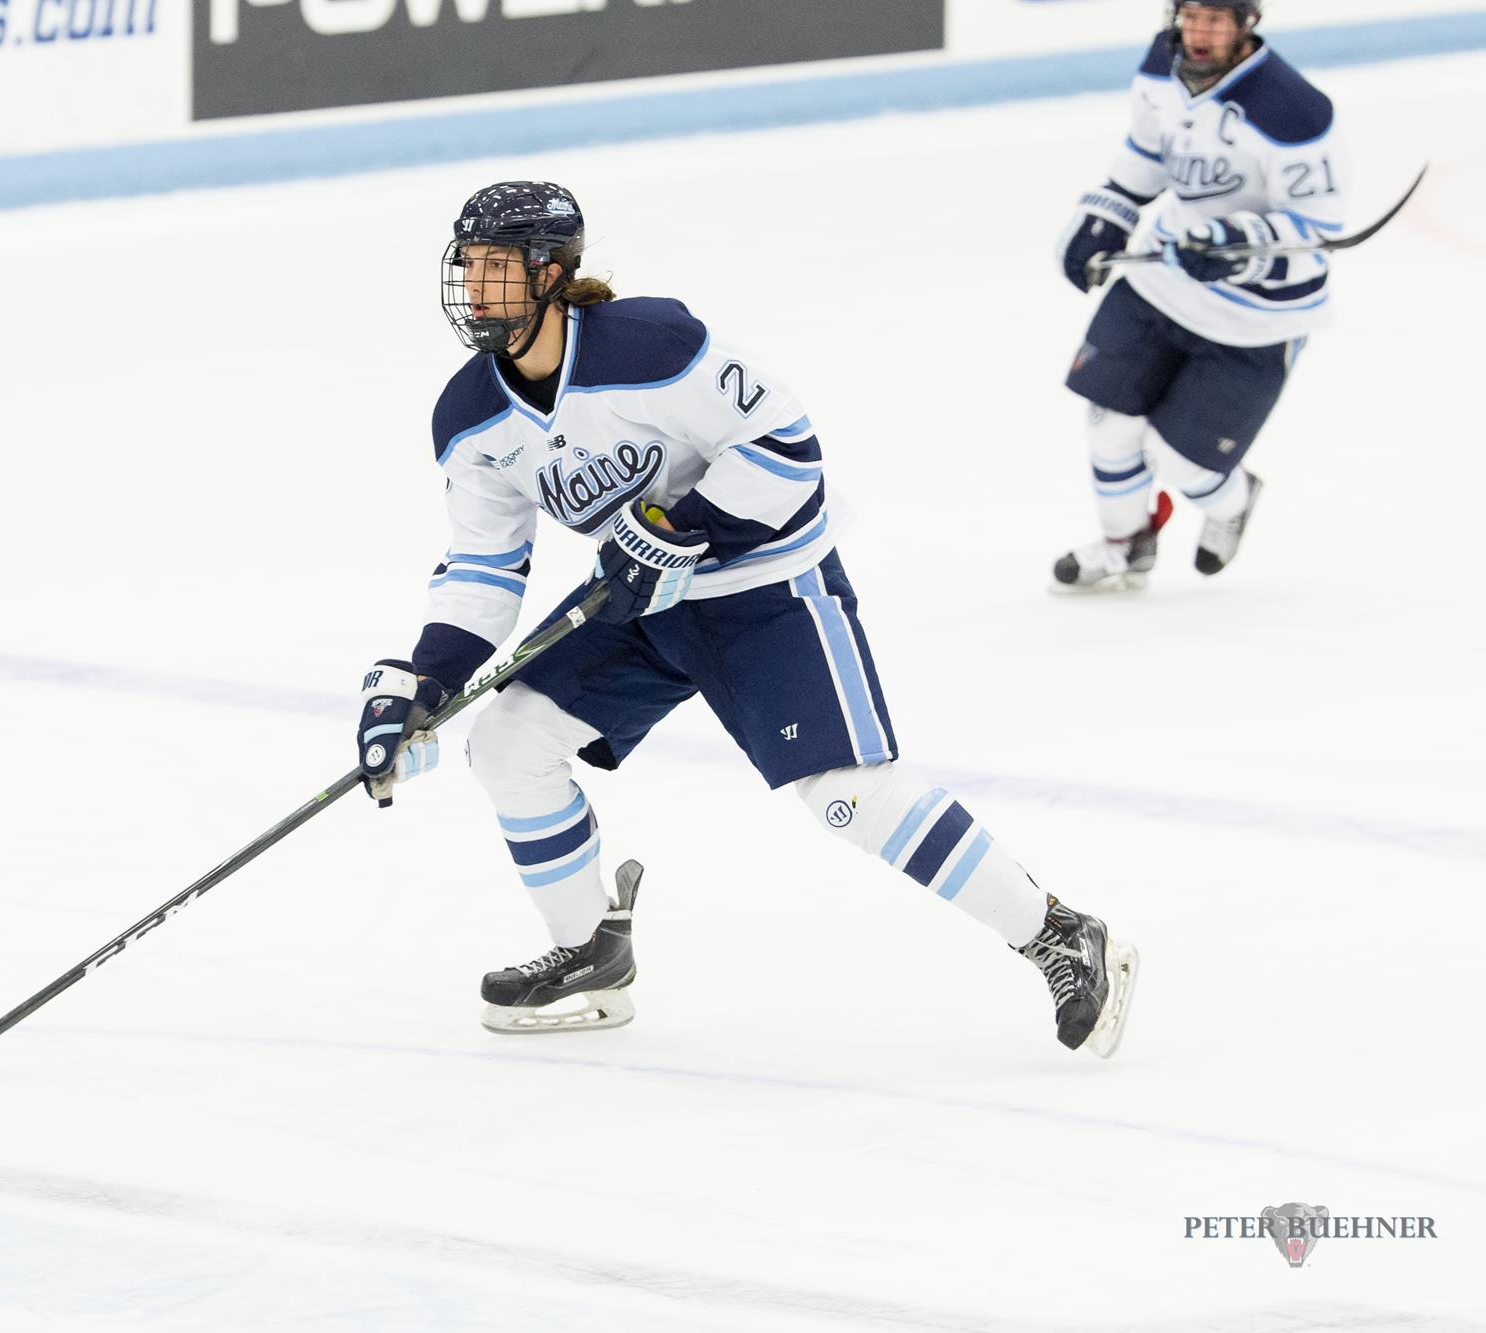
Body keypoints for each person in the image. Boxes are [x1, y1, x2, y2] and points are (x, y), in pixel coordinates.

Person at [352, 180, 1138, 1055]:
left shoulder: (651, 345)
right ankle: (589, 953)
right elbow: (484, 564)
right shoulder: (469, 418)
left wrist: (685, 531)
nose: (475, 285)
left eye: (497, 266)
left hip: (766, 587)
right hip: (643, 602)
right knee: (508, 743)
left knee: (847, 796)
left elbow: (788, 448)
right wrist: (425, 677)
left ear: (551, 272)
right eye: (468, 264)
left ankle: (1058, 931)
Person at [1053, 0, 1347, 589]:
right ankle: (1123, 545)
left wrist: (1235, 239)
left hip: (1255, 316)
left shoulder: (1294, 108)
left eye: (1217, 19)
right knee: (1109, 423)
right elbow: (1145, 153)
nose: (1200, 32)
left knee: (1183, 462)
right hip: (1163, 278)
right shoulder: (1162, 64)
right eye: (1191, 15)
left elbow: (1318, 229)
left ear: (1246, 24)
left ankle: (1232, 501)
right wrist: (1107, 214)